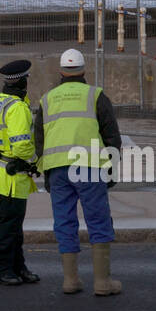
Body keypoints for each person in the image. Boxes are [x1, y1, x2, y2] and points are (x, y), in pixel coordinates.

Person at [34, 48, 122, 296]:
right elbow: (112, 136)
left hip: (58, 170)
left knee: (64, 220)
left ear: (60, 71)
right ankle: (103, 282)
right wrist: (111, 168)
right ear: (84, 69)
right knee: (98, 219)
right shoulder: (96, 96)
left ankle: (70, 281)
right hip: (90, 168)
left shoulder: (47, 99)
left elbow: (38, 141)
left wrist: (46, 172)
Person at [0, 58, 41, 286]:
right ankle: (1, 269)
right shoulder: (17, 108)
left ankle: (18, 267)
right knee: (8, 227)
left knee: (12, 227)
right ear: (23, 81)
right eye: (27, 79)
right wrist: (35, 161)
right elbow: (22, 145)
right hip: (11, 177)